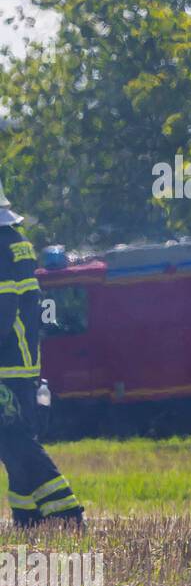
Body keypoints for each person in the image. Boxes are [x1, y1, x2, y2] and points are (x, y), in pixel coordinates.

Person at [0, 176, 83, 528]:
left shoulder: (1, 245)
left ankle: (66, 513)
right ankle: (27, 517)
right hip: (22, 362)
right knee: (11, 441)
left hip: (6, 363)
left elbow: (3, 311)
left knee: (14, 439)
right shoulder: (17, 242)